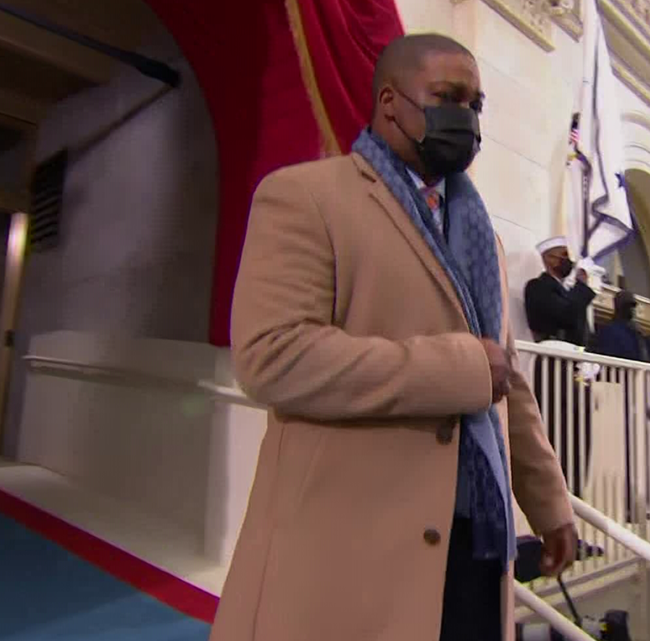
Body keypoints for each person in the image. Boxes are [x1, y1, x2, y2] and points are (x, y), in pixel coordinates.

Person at [213, 35, 577, 641]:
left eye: (476, 103)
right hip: (353, 552)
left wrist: (550, 505)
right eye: (447, 97)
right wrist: (456, 370)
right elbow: (271, 357)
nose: (466, 117)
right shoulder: (305, 197)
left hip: (478, 548)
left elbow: (504, 381)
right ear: (389, 102)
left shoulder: (480, 236)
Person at [524, 236, 596, 346]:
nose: (569, 261)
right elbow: (566, 315)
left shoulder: (568, 292)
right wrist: (581, 285)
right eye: (565, 255)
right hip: (552, 355)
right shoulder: (537, 286)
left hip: (573, 356)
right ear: (550, 259)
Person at [591, 290, 650, 362]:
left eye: (633, 306)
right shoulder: (607, 331)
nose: (632, 309)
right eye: (628, 306)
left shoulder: (637, 332)